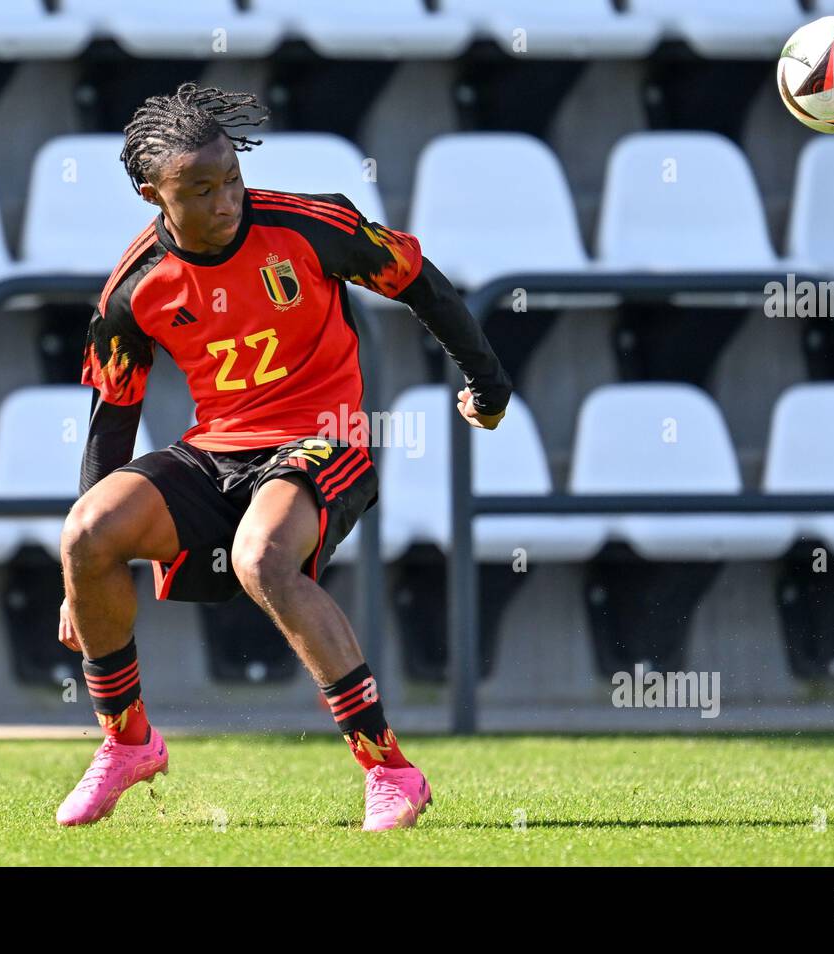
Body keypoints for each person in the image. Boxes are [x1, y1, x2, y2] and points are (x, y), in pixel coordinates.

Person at [55, 82, 511, 831]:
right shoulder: (133, 288)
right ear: (152, 195)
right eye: (199, 189)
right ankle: (127, 743)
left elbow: (418, 281)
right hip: (219, 449)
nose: (227, 199)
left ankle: (390, 768)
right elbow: (113, 420)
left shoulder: (309, 225)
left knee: (262, 557)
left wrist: (487, 384)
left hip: (325, 435)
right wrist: (78, 582)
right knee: (84, 534)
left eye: (231, 177)